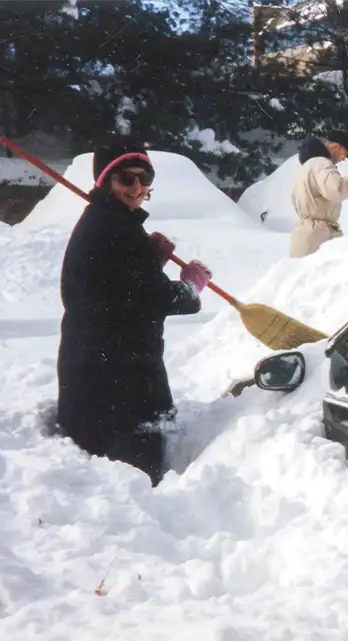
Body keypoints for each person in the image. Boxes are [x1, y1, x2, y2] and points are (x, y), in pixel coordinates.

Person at [56, 135, 213, 487]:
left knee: (108, 475)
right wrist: (190, 286)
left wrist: (150, 259)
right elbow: (152, 296)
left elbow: (119, 284)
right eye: (127, 178)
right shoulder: (116, 230)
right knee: (132, 480)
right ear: (106, 181)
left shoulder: (112, 222)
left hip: (101, 368)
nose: (137, 187)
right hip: (118, 381)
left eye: (145, 178)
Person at [290, 129, 348, 258]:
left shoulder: (310, 165)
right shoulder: (322, 164)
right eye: (345, 153)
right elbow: (337, 190)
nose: (343, 159)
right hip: (317, 236)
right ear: (336, 146)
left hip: (307, 234)